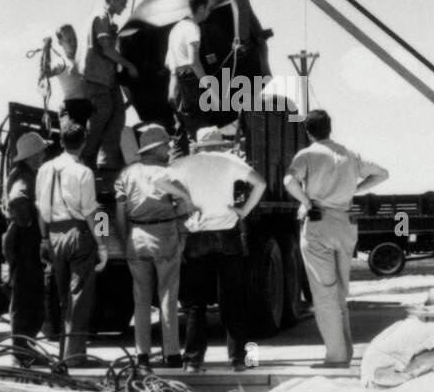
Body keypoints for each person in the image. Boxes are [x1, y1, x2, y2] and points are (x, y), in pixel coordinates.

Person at [284, 109, 389, 367]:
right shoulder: (350, 155)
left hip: (319, 223)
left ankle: (336, 355)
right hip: (345, 224)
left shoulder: (306, 155)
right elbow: (383, 173)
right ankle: (346, 350)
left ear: (308, 132)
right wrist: (356, 189)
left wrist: (306, 201)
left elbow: (289, 180)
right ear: (330, 128)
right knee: (340, 291)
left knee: (324, 293)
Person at [169, 126, 265, 372]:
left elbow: (157, 180)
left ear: (198, 145)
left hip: (198, 234)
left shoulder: (186, 163)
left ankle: (192, 361)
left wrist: (187, 200)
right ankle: (241, 361)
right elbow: (261, 184)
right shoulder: (230, 160)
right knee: (234, 300)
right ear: (219, 143)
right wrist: (244, 210)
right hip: (227, 233)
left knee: (195, 303)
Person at [115, 123, 193, 368]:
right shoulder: (169, 173)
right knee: (168, 296)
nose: (169, 149)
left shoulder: (127, 173)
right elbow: (183, 208)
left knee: (141, 299)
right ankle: (171, 354)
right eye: (166, 145)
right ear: (157, 147)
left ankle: (142, 356)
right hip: (165, 234)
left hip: (136, 236)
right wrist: (182, 236)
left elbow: (115, 213)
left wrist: (122, 237)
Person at [35, 122, 108, 360]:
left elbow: (41, 208)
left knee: (63, 296)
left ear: (61, 142)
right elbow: (91, 211)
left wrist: (44, 238)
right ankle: (75, 355)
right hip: (78, 234)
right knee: (80, 296)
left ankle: (65, 352)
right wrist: (102, 243)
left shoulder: (45, 169)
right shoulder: (84, 172)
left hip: (53, 234)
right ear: (84, 143)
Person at [83, 0, 137, 172]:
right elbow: (106, 49)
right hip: (97, 77)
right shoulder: (101, 18)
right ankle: (86, 154)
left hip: (109, 79)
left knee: (118, 115)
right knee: (102, 113)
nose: (125, 6)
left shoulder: (110, 21)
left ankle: (106, 159)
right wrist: (129, 65)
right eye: (122, 2)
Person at [3, 131, 49, 341]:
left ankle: (24, 345)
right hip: (28, 242)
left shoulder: (28, 173)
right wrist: (102, 240)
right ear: (33, 154)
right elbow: (100, 212)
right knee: (28, 294)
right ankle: (21, 347)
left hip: (34, 240)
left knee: (28, 294)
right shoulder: (25, 176)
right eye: (41, 151)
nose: (44, 155)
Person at [166, 0, 211, 156]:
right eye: (208, 8)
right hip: (189, 84)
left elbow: (167, 62)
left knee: (180, 136)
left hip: (176, 84)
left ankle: (174, 170)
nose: (209, 12)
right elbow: (194, 62)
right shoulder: (192, 28)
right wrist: (211, 89)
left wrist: (173, 86)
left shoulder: (176, 28)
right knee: (199, 135)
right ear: (200, 8)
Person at [41, 25, 92, 126]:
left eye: (74, 38)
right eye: (69, 40)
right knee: (74, 136)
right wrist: (46, 50)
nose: (73, 43)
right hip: (71, 108)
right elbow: (45, 73)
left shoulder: (83, 61)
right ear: (60, 43)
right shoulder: (61, 62)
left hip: (88, 108)